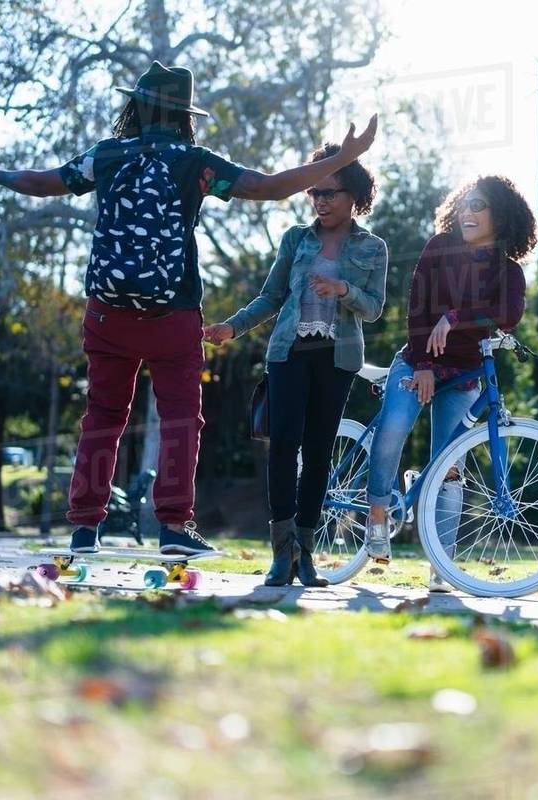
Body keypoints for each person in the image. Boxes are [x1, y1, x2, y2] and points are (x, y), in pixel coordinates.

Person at [0, 61, 377, 556]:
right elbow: (267, 187)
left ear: (136, 106)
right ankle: (173, 529)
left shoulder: (108, 155)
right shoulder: (195, 163)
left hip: (107, 310)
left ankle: (84, 528)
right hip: (173, 313)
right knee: (182, 416)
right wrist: (346, 156)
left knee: (102, 415)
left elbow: (46, 182)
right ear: (184, 115)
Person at [202, 144, 387, 588]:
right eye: (314, 193)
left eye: (330, 193)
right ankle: (280, 557)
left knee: (320, 454)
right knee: (283, 446)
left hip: (338, 360)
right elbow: (271, 297)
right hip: (288, 355)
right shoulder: (295, 240)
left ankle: (307, 556)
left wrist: (343, 289)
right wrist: (233, 327)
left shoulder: (372, 247)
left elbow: (376, 307)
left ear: (354, 195)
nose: (321, 201)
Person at [363, 175, 537, 592]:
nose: (468, 212)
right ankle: (377, 517)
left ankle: (442, 564)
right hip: (417, 362)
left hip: (464, 374)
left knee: (452, 466)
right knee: (394, 427)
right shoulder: (438, 248)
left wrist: (457, 316)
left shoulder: (508, 272)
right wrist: (422, 363)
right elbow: (418, 309)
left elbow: (508, 314)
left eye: (479, 206)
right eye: (465, 204)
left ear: (502, 215)